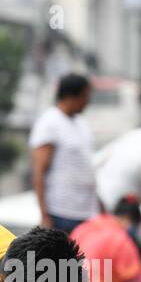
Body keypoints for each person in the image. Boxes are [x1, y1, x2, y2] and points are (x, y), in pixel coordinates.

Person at [30, 73, 98, 233]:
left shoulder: (81, 123)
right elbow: (39, 171)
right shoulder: (50, 122)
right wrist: (44, 214)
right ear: (71, 96)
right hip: (61, 212)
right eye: (85, 96)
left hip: (86, 211)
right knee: (63, 259)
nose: (88, 101)